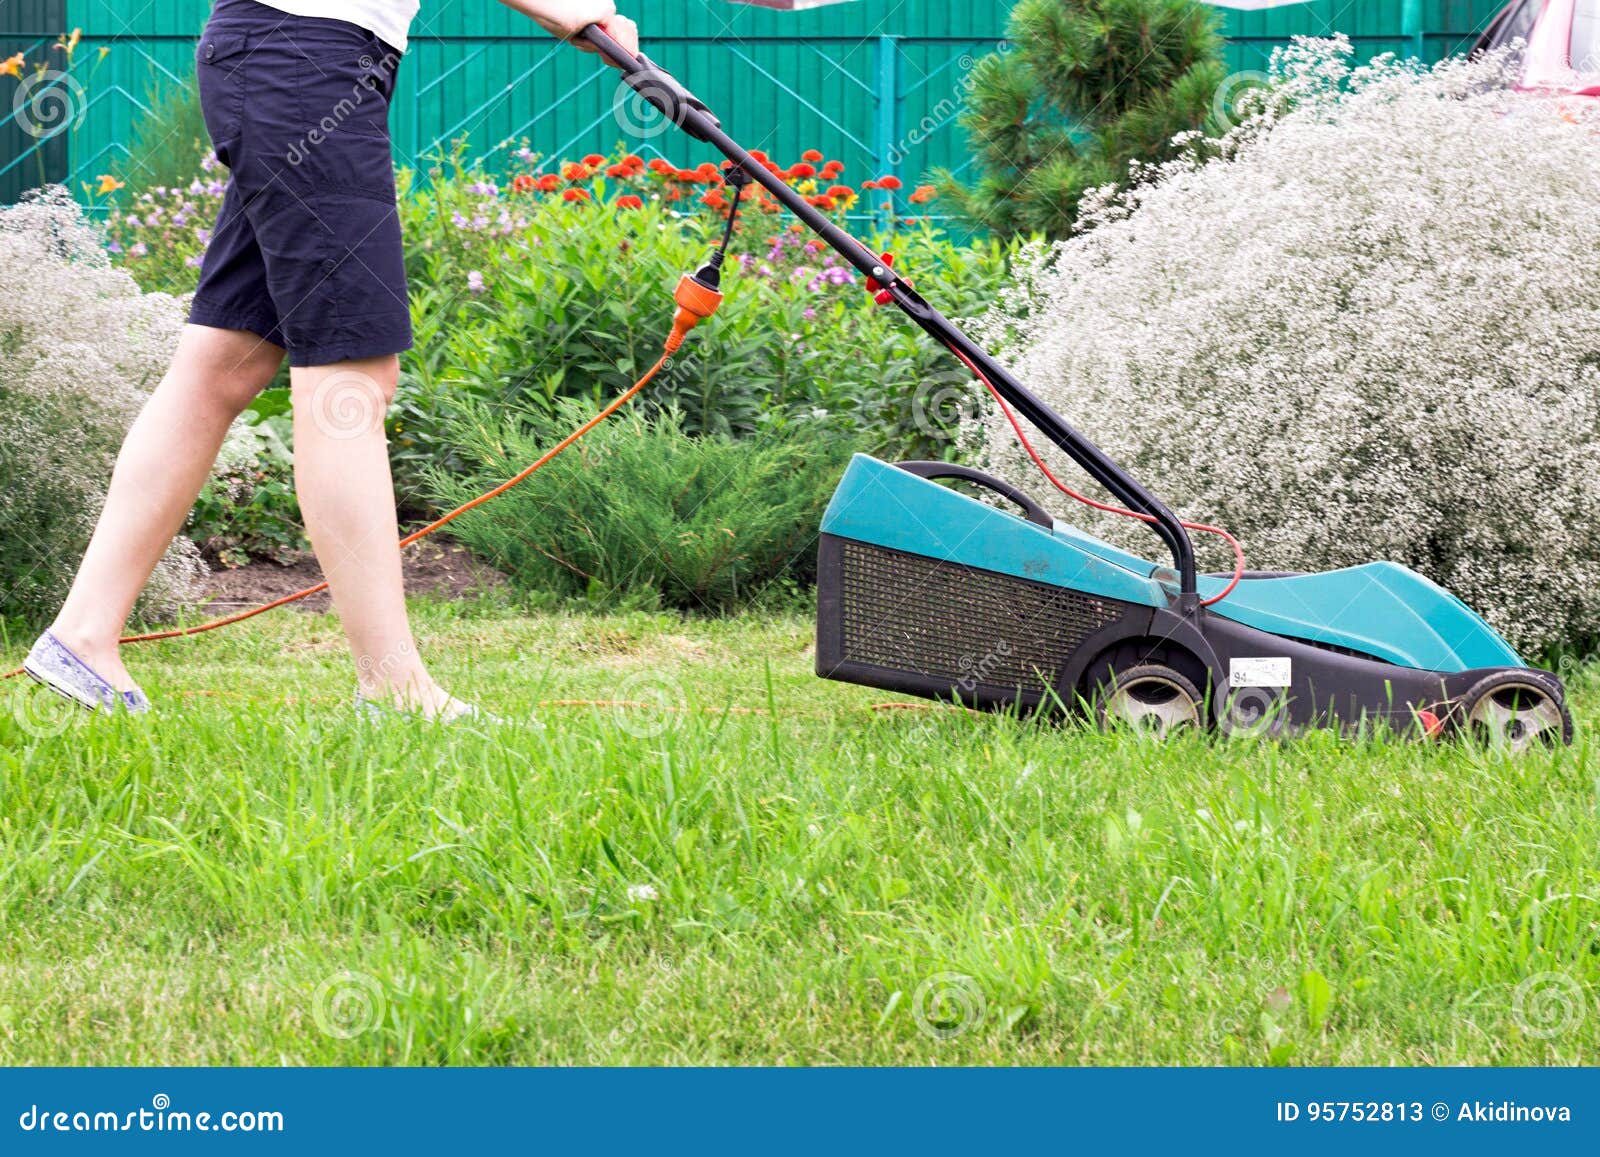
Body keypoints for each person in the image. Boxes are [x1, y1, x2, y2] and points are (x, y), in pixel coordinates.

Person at [23, 0, 639, 721]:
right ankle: (393, 686)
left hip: (295, 59)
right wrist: (570, 11)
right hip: (302, 60)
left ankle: (82, 637)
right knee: (352, 375)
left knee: (226, 361)